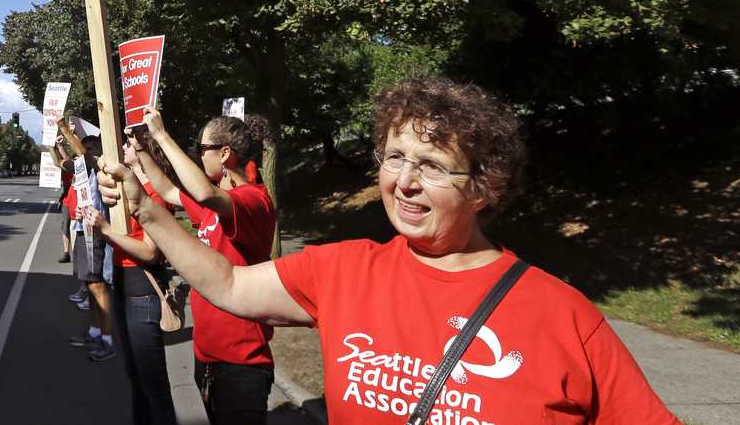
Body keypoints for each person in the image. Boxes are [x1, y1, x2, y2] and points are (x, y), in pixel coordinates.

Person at [99, 77, 682, 425]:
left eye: (431, 165)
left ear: (486, 186)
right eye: (395, 157)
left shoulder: (563, 314)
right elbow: (227, 284)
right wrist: (147, 209)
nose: (403, 180)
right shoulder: (344, 269)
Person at [133, 109, 277, 425]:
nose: (198, 156)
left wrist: (161, 134)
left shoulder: (252, 200)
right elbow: (171, 191)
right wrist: (142, 147)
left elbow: (202, 192)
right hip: (208, 357)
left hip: (241, 361)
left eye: (202, 149)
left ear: (225, 154)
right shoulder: (215, 207)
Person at [84, 136, 179, 425]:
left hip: (144, 292)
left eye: (130, 143)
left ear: (145, 152)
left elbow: (150, 251)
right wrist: (96, 223)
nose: (123, 147)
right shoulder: (130, 189)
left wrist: (105, 230)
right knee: (135, 377)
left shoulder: (154, 193)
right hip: (125, 287)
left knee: (152, 384)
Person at [60, 118, 115, 361]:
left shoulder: (98, 167)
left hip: (97, 231)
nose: (85, 153)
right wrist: (52, 142)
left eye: (90, 149)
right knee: (90, 284)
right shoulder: (82, 169)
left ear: (98, 152)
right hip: (83, 230)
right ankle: (94, 332)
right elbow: (60, 162)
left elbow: (82, 153)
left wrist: (63, 127)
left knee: (98, 285)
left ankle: (108, 340)